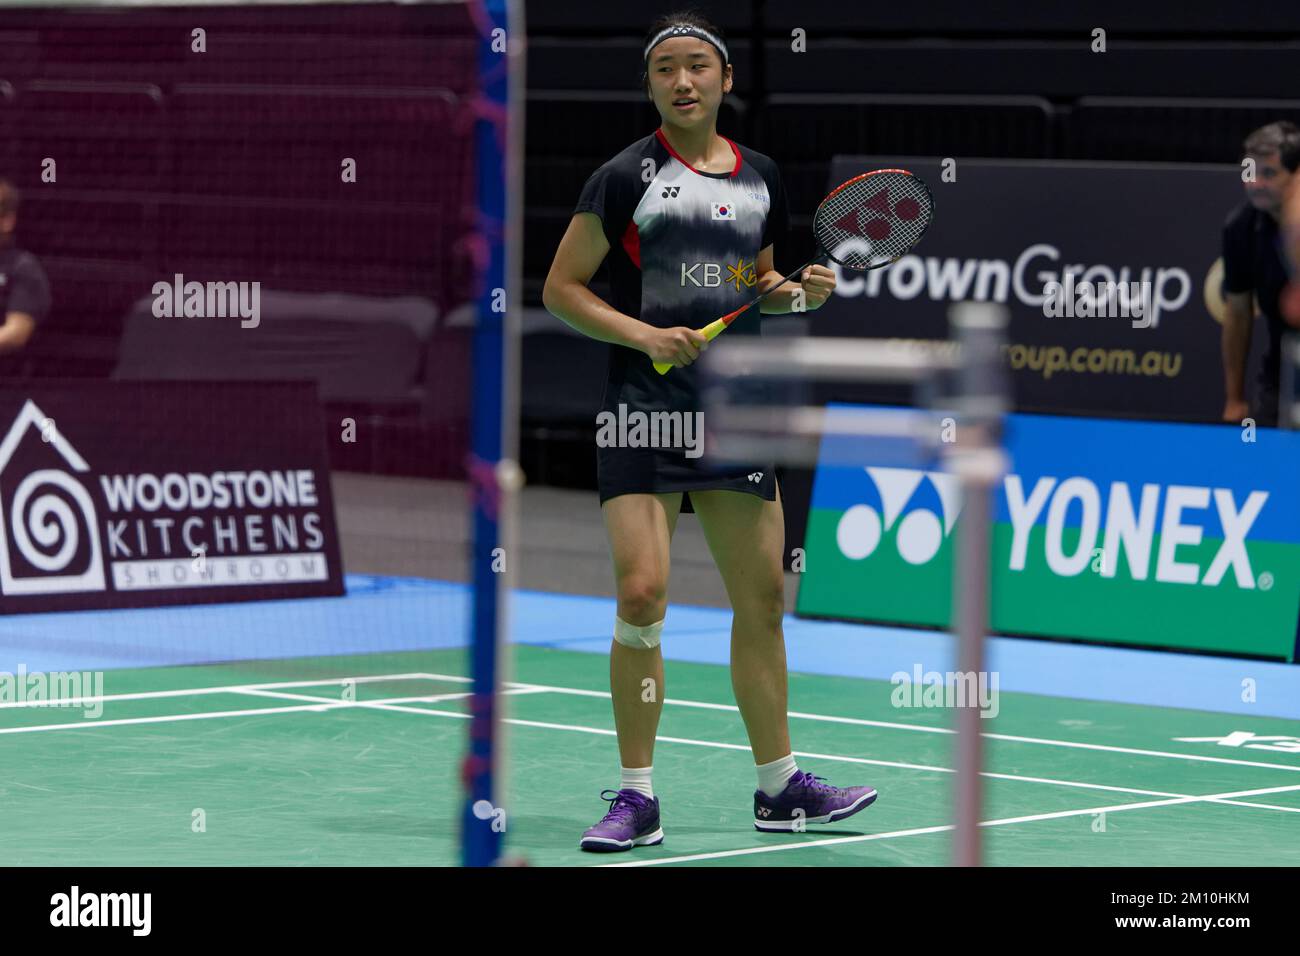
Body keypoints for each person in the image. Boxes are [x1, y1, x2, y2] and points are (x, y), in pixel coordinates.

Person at [542, 11, 876, 853]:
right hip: (642, 409)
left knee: (761, 603)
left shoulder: (761, 176)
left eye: (697, 67)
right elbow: (560, 289)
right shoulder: (623, 177)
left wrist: (802, 294)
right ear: (651, 86)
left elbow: (760, 284)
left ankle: (780, 788)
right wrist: (644, 335)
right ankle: (636, 796)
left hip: (732, 409)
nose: (683, 82)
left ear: (726, 81)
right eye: (665, 70)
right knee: (642, 595)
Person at [1220, 122, 1299, 427]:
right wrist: (1234, 398)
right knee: (1263, 458)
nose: (1254, 184)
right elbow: (1238, 313)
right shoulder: (1240, 228)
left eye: (1268, 174)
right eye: (1249, 173)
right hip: (1283, 374)